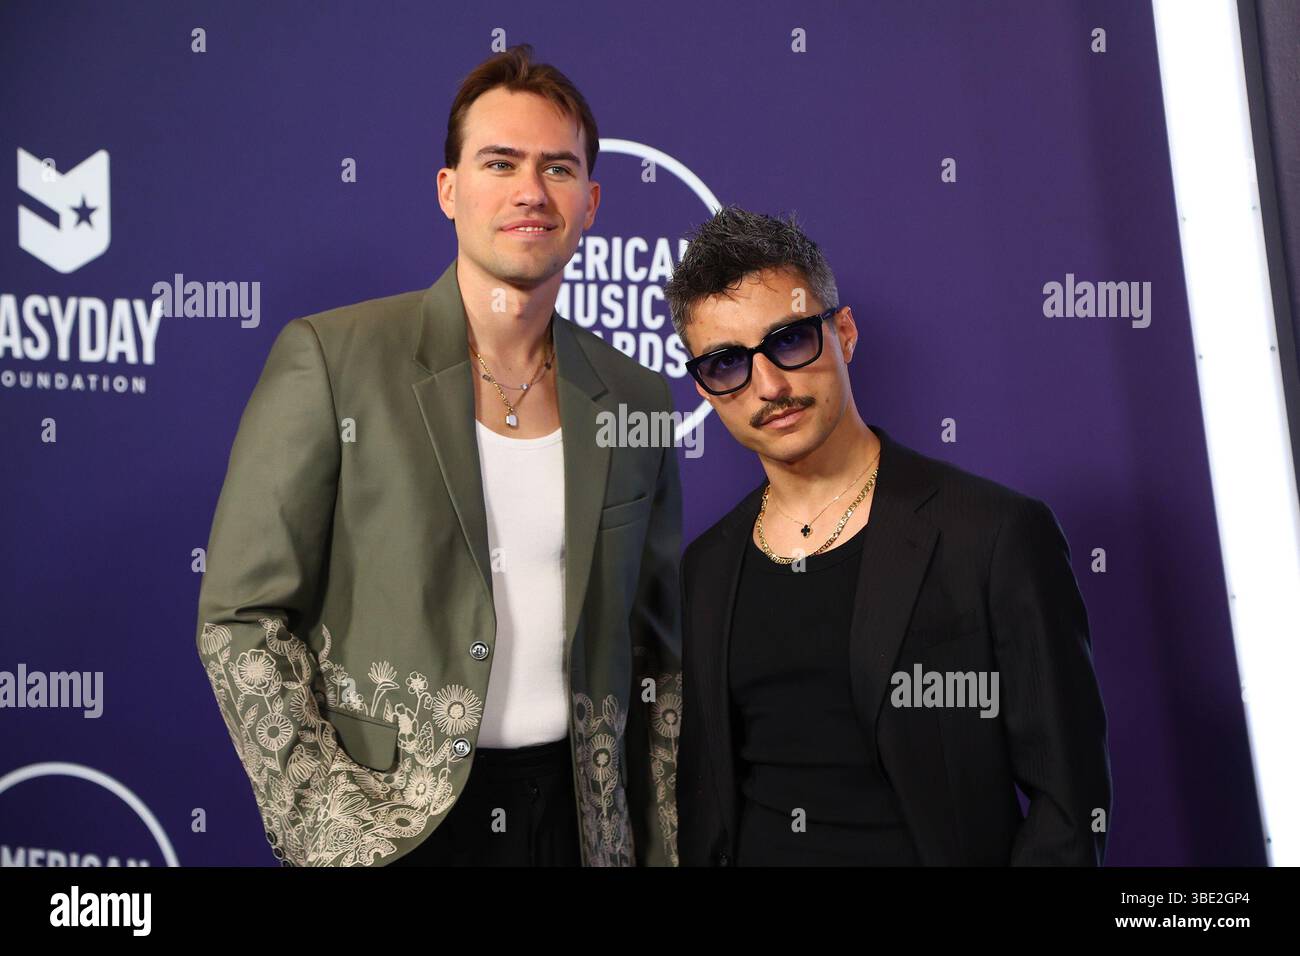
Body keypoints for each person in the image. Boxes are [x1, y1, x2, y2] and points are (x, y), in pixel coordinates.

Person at [195, 45, 681, 868]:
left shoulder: (636, 399)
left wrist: (653, 843)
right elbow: (240, 618)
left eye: (558, 169)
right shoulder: (332, 357)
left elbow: (657, 656)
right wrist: (329, 824)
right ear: (449, 190)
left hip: (576, 826)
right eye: (501, 163)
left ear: (591, 202)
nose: (532, 191)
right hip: (394, 828)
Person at [667, 206, 1110, 866]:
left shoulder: (992, 535)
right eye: (727, 363)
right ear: (706, 387)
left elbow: (1068, 809)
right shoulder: (705, 568)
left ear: (843, 333)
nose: (769, 385)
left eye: (789, 340)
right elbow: (706, 808)